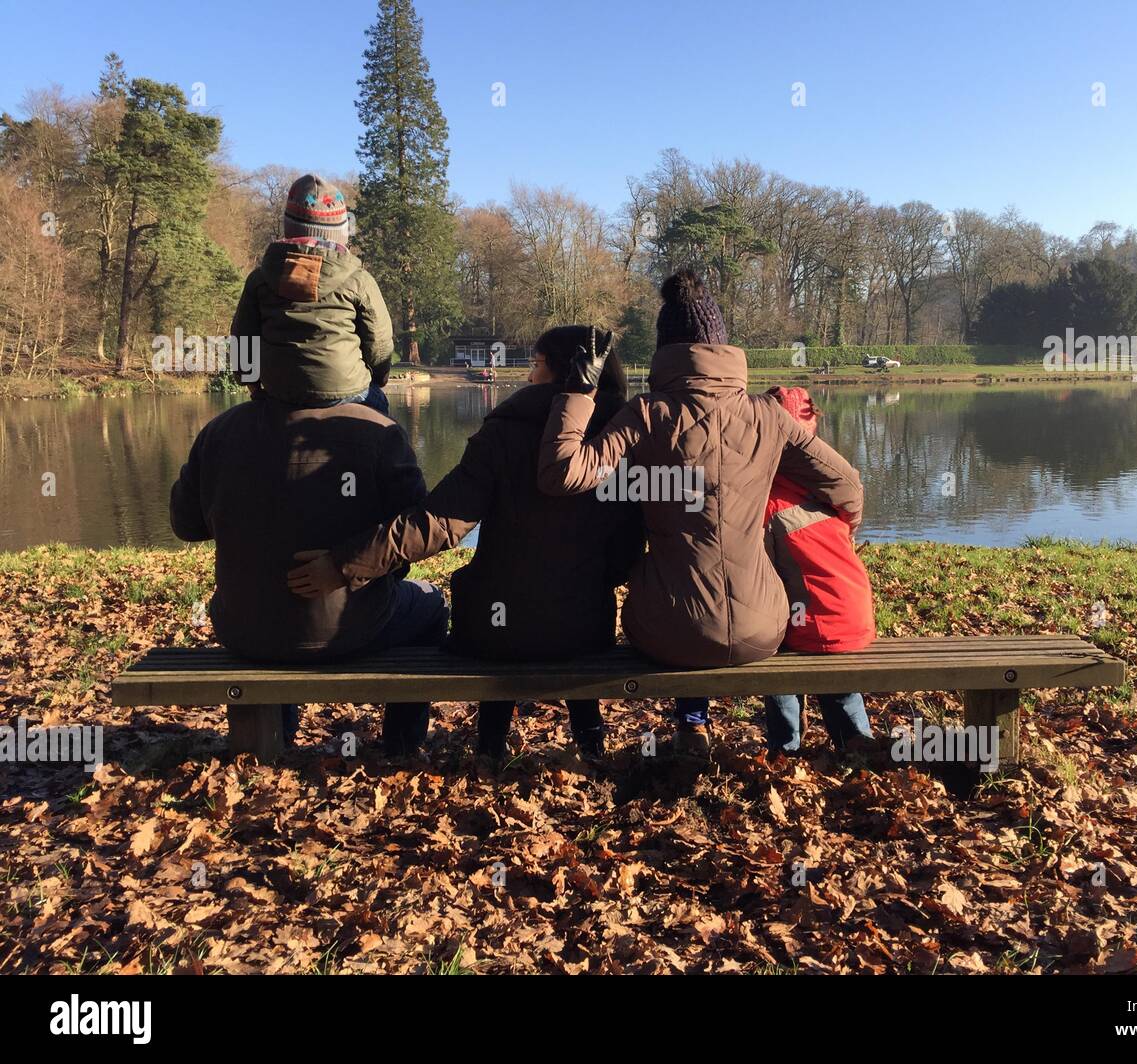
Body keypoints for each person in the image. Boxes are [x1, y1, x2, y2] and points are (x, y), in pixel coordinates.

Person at [536, 270, 864, 761]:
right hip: (764, 628)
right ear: (725, 349)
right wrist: (838, 529)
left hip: (669, 630)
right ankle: (826, 741)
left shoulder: (647, 413)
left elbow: (562, 474)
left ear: (666, 349)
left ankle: (692, 724)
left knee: (668, 583)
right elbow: (847, 487)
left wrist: (580, 391)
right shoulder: (769, 416)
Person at [286, 325, 644, 775]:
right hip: (586, 630)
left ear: (559, 373)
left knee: (503, 604)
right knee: (563, 612)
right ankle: (592, 749)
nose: (528, 376)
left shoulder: (505, 433)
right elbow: (625, 553)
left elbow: (438, 523)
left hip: (496, 630)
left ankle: (490, 749)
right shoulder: (620, 444)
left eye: (535, 364)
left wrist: (344, 564)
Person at [170, 393, 444, 755]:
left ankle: (279, 735)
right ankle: (403, 743)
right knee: (432, 604)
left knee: (277, 608)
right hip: (352, 629)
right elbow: (414, 527)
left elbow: (186, 525)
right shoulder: (379, 430)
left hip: (243, 629)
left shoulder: (221, 429)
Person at [760, 386, 877, 756]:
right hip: (855, 615)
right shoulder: (834, 487)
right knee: (842, 691)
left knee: (774, 661)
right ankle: (857, 745)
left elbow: (761, 574)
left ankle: (786, 749)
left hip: (815, 624)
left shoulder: (766, 497)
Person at [231, 173, 393, 415]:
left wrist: (252, 384)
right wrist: (379, 377)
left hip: (279, 391)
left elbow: (242, 337)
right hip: (347, 391)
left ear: (290, 228)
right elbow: (379, 342)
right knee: (383, 415)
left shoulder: (260, 279)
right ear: (341, 232)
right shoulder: (359, 280)